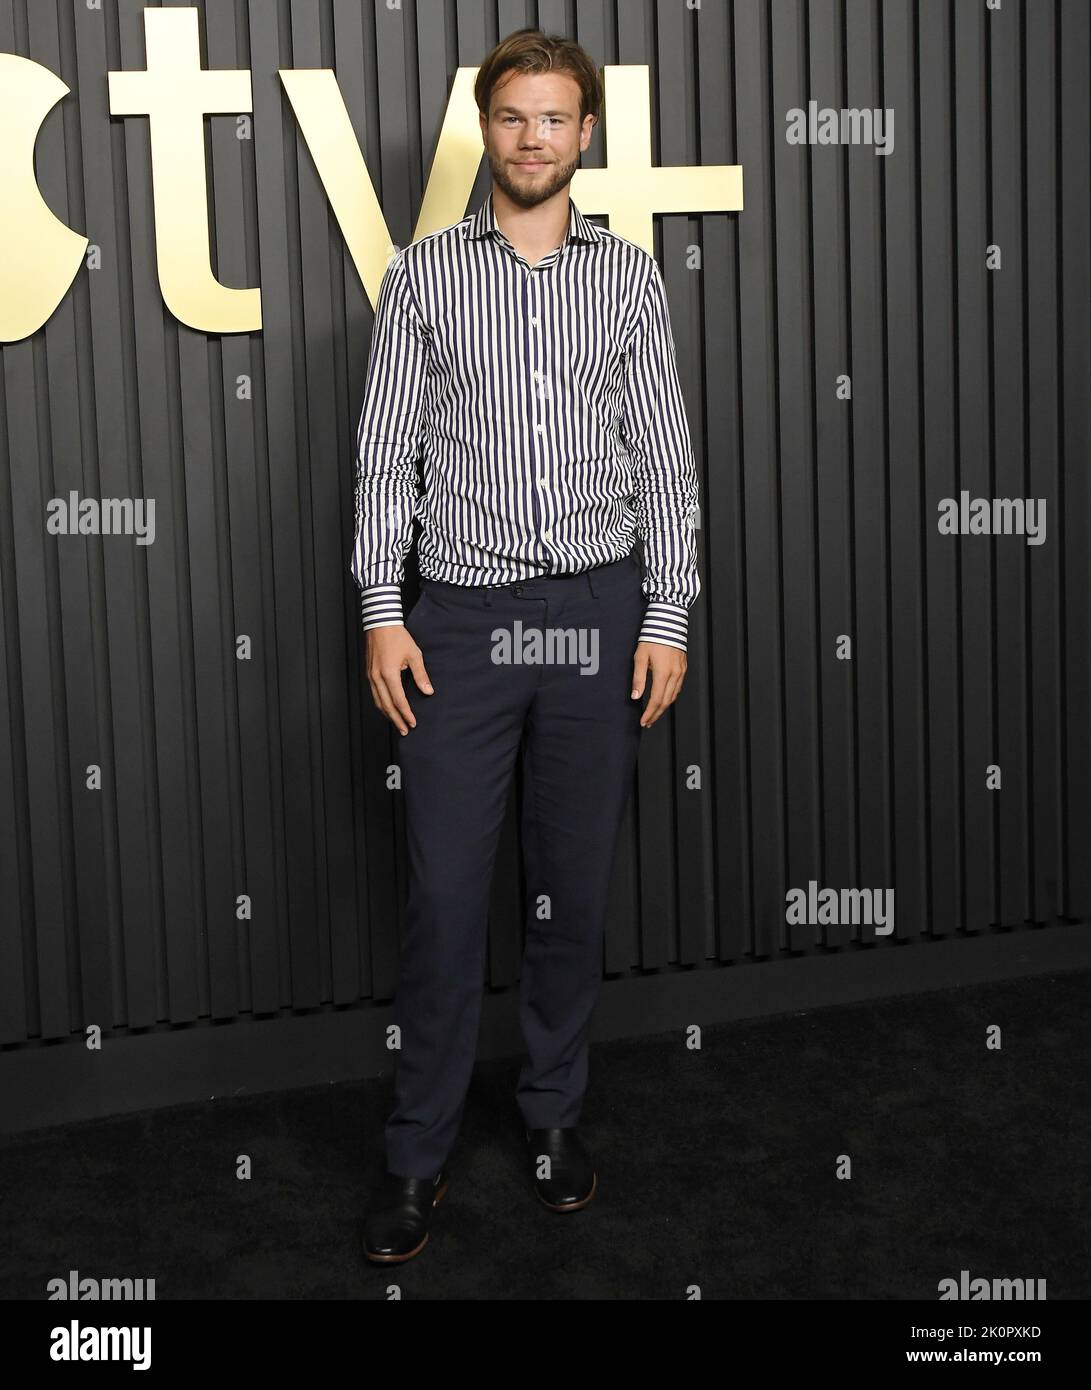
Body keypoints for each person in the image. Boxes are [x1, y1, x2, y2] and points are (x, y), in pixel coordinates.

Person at [350, 26, 700, 1264]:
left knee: (569, 890)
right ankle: (415, 1152)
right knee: (445, 898)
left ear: (584, 134)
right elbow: (385, 456)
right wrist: (381, 611)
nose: (533, 138)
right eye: (512, 117)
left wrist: (662, 615)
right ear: (484, 130)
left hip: (598, 612)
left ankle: (550, 1120)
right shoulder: (424, 276)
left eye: (555, 118)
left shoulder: (629, 280)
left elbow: (664, 462)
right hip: (458, 621)